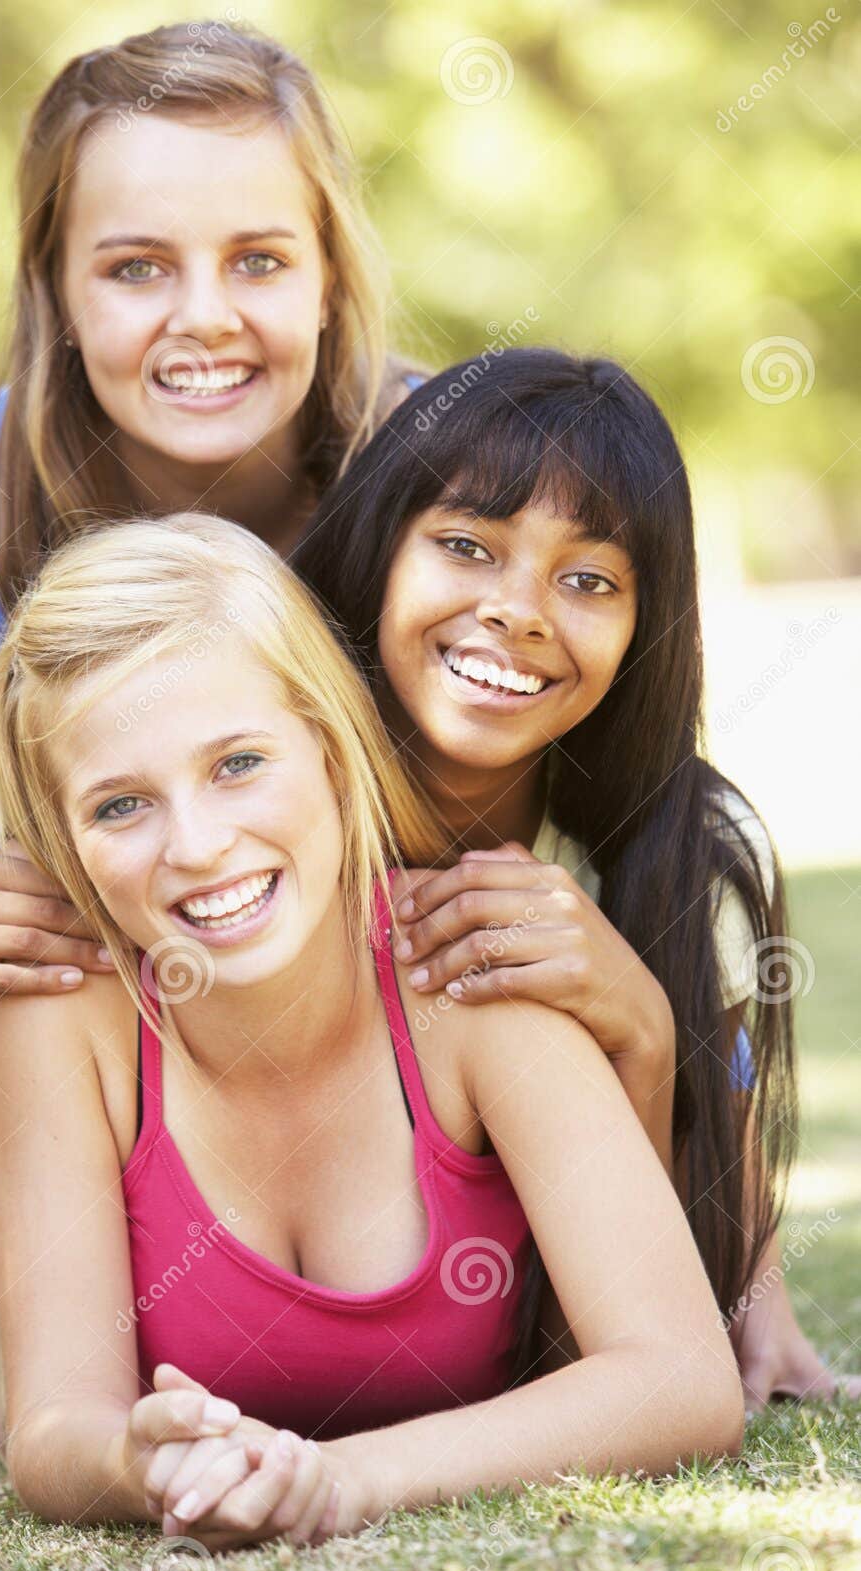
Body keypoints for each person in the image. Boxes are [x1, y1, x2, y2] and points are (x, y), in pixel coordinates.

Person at [0, 20, 422, 1480]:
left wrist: (728, 1282)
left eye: (258, 259)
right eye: (134, 266)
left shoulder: (441, 475)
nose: (203, 316)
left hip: (354, 990)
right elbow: (6, 953)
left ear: (330, 272)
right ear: (52, 289)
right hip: (134, 986)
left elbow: (650, 853)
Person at [0, 512, 742, 1549]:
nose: (197, 845)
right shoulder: (62, 1012)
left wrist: (334, 1480)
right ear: (62, 838)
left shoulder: (465, 971)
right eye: (118, 807)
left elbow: (682, 1379)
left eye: (238, 762)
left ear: (331, 750)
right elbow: (53, 1425)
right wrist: (136, 1460)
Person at [291, 345, 858, 1404]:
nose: (519, 609)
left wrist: (639, 1028)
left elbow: (634, 1322)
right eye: (466, 544)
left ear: (646, 625)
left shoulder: (670, 849)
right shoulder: (269, 807)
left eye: (587, 578)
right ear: (377, 550)